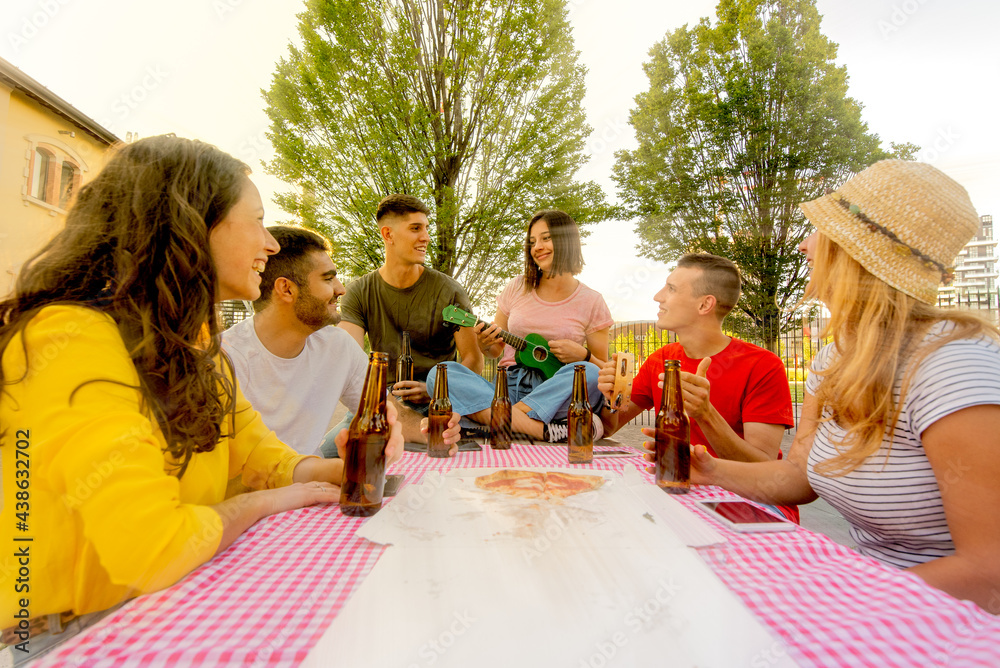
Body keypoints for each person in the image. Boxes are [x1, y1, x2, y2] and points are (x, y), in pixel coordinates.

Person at [0, 136, 403, 662]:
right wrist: (265, 503)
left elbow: (261, 455)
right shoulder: (67, 338)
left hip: (174, 595)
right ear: (192, 227)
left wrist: (344, 466)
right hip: (76, 632)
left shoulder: (195, 344)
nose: (271, 244)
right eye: (256, 221)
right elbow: (153, 548)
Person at [672, 160, 1000, 612]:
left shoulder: (954, 364)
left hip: (945, 622)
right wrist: (708, 470)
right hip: (873, 590)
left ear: (855, 252)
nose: (806, 245)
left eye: (820, 231)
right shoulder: (834, 359)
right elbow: (797, 477)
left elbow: (987, 571)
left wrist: (828, 601)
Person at [221, 225, 459, 455]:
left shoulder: (337, 346)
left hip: (312, 483)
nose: (341, 289)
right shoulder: (224, 360)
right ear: (287, 289)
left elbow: (386, 411)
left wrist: (432, 429)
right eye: (328, 279)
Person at [598, 253, 797, 520]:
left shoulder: (762, 365)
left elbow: (764, 469)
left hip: (747, 503)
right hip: (678, 493)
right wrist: (612, 399)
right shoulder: (661, 360)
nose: (658, 296)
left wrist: (706, 414)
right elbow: (609, 427)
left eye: (671, 289)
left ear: (705, 304)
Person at [428, 209, 613, 442]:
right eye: (532, 241)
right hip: (508, 386)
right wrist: (486, 344)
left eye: (546, 238)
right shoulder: (516, 287)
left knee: (591, 373)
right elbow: (495, 351)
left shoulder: (592, 301)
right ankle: (541, 429)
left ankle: (493, 420)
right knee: (440, 374)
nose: (537, 247)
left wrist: (583, 355)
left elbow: (604, 371)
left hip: (555, 391)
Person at [338, 194, 483, 411]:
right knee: (332, 446)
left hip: (439, 402)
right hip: (382, 402)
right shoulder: (358, 292)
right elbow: (350, 362)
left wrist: (434, 390)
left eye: (426, 228)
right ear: (388, 234)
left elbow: (474, 359)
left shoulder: (449, 290)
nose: (426, 237)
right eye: (416, 228)